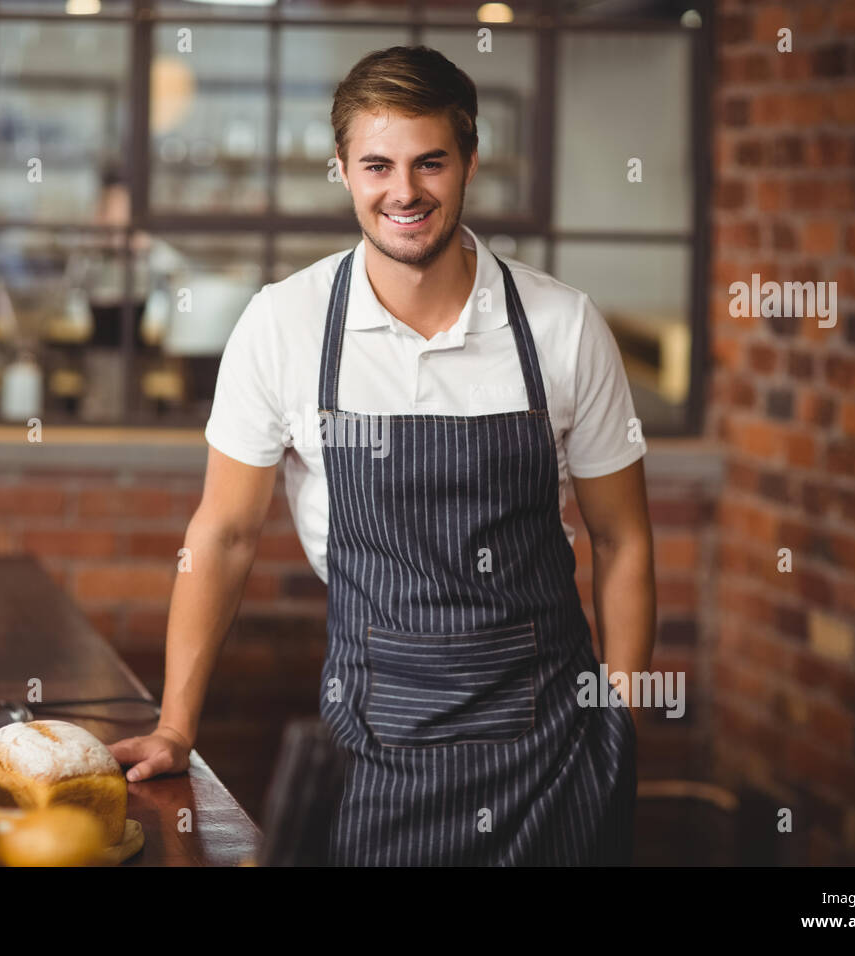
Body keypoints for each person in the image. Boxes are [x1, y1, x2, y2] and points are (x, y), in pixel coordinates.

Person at [110, 45, 656, 866]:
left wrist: (621, 725)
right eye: (377, 165)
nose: (404, 191)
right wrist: (177, 725)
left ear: (470, 160)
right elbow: (222, 534)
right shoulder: (283, 325)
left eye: (430, 161)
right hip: (379, 754)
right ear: (343, 170)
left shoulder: (562, 327)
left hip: (555, 754)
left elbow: (624, 540)